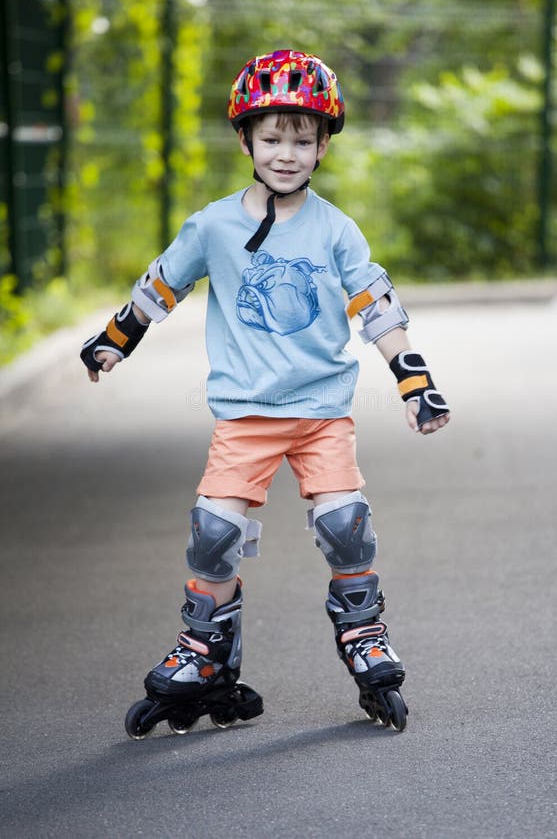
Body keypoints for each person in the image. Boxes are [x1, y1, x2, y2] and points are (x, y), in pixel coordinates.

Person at [81, 49, 450, 734]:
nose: (286, 153)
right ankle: (207, 654)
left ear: (322, 147)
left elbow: (377, 304)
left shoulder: (336, 229)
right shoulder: (214, 225)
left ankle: (364, 635)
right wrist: (115, 337)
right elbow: (162, 282)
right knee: (213, 534)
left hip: (320, 416)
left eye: (302, 140)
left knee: (347, 528)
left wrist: (415, 380)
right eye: (272, 137)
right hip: (245, 418)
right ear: (245, 139)